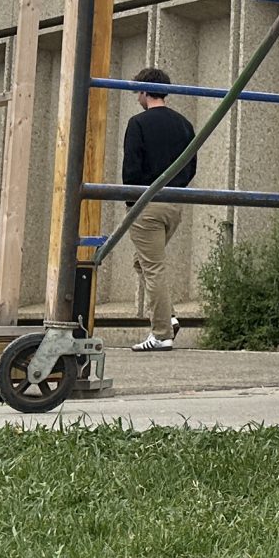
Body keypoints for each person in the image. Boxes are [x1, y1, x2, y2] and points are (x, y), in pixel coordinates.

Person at [119, 68, 198, 352]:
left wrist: (132, 203)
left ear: (143, 91)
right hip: (174, 204)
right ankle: (170, 318)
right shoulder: (184, 124)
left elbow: (131, 167)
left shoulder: (137, 123)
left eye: (136, 92)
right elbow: (191, 166)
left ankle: (162, 333)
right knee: (143, 263)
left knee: (152, 267)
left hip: (145, 203)